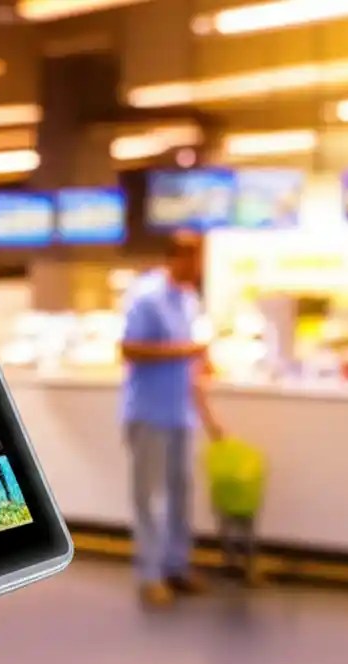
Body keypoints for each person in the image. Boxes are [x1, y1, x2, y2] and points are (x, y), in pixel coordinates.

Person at [121, 230, 224, 609]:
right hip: (149, 412)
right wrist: (187, 350)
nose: (199, 268)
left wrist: (208, 416)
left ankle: (176, 566)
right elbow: (129, 349)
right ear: (176, 258)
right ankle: (150, 575)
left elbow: (191, 362)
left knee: (181, 493)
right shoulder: (146, 296)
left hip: (180, 413)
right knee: (149, 497)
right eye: (194, 260)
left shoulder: (188, 300)